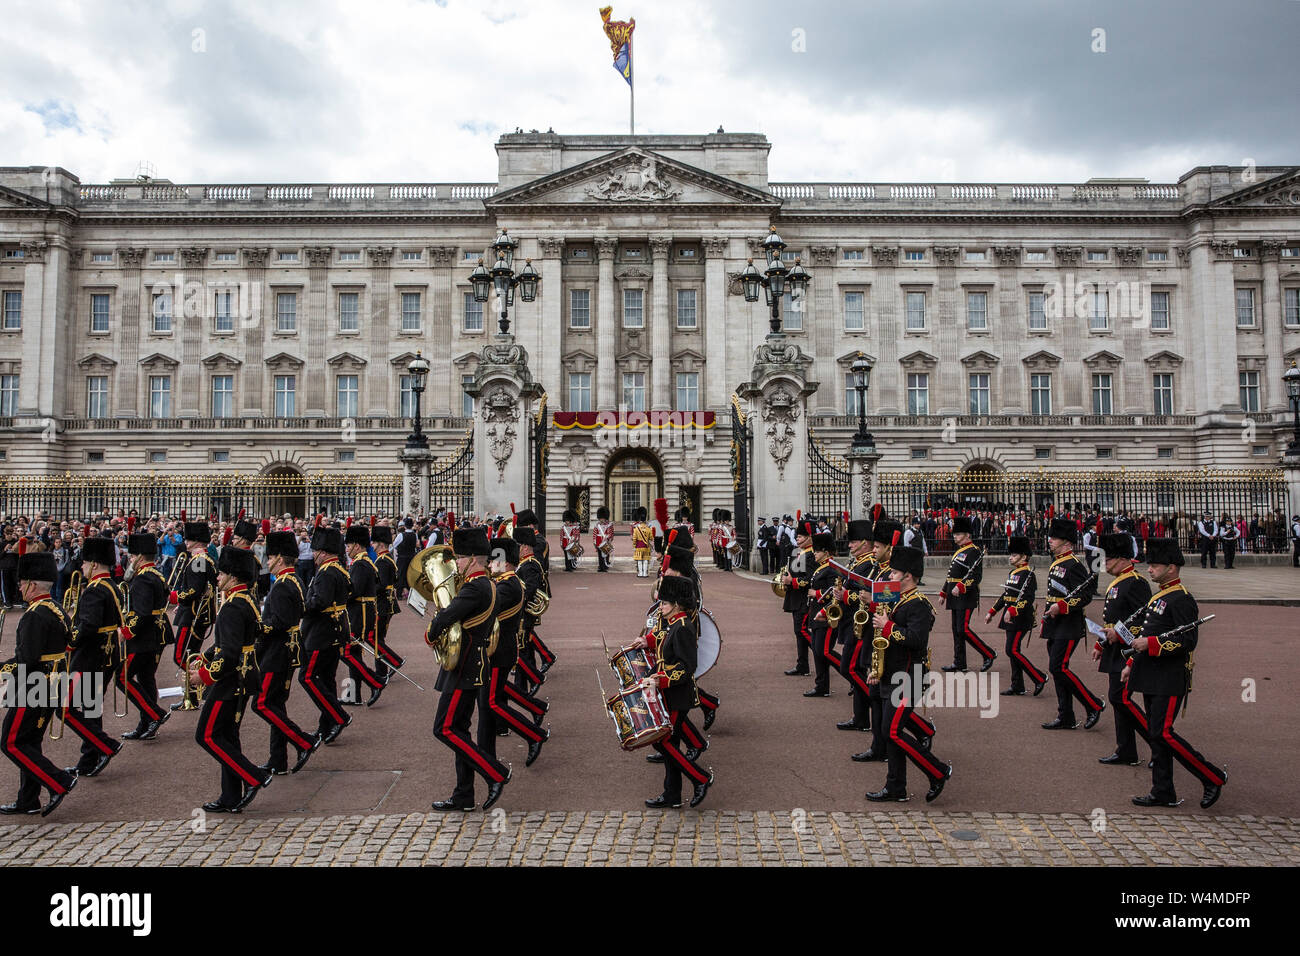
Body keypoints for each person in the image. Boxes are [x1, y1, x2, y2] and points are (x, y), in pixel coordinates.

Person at [1124, 538, 1226, 809]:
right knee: (1155, 734)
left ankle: (1212, 776)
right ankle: (1163, 790)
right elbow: (1146, 633)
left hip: (1169, 676)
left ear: (1171, 567)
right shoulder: (1160, 596)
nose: (1149, 570)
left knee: (1165, 733)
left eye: (1155, 565)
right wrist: (1132, 664)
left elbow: (1187, 641)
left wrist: (1152, 645)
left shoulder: (1181, 599)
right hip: (1150, 673)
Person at [428, 526, 512, 812]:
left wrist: (431, 631)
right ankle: (463, 794)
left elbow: (449, 615)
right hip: (472, 664)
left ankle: (495, 772)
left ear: (473, 560)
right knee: (459, 729)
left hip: (465, 665)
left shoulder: (475, 586)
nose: (456, 563)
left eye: (460, 558)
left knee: (445, 728)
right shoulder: (485, 583)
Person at [864, 544, 952, 803]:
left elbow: (916, 640)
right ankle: (896, 788)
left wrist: (887, 625)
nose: (889, 577)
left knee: (892, 731)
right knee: (889, 731)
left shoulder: (919, 605)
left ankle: (938, 771)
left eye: (894, 573)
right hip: (892, 674)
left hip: (910, 677)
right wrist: (876, 667)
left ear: (908, 577)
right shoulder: (897, 598)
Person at [190, 545, 273, 812]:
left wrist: (203, 676)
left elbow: (228, 654)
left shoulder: (232, 606)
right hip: (245, 677)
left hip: (230, 680)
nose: (216, 577)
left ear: (234, 577)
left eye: (222, 573)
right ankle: (230, 796)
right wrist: (206, 655)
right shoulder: (246, 599)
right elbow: (233, 643)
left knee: (207, 736)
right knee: (228, 735)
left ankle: (253, 777)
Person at [0, 548, 77, 816]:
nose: (19, 588)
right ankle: (27, 799)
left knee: (11, 742)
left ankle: (58, 781)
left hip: (34, 685)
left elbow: (26, 659)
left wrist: (1, 669)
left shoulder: (34, 614)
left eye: (22, 584)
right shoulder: (54, 607)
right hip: (52, 682)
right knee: (29, 741)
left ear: (31, 584)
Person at [640, 574, 713, 809]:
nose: (660, 606)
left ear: (676, 605)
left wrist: (660, 680)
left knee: (664, 743)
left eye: (664, 603)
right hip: (669, 694)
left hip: (678, 696)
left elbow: (686, 667)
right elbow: (663, 651)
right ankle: (671, 794)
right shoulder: (673, 624)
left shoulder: (682, 627)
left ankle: (700, 778)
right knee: (667, 743)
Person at [252, 529, 319, 776]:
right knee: (276, 705)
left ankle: (302, 741)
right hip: (289, 650)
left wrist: (256, 627)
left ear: (279, 558)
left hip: (277, 652)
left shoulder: (281, 585)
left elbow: (276, 623)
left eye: (270, 558)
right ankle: (277, 760)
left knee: (262, 704)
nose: (267, 562)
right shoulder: (295, 580)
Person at [479, 533, 548, 766]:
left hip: (501, 651)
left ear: (504, 561)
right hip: (500, 649)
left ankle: (533, 735)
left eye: (493, 560)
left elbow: (487, 609)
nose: (489, 564)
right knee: (498, 693)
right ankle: (535, 709)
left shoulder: (508, 585)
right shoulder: (505, 581)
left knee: (492, 702)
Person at [63, 534, 124, 778]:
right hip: (107, 654)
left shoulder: (95, 590)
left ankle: (103, 745)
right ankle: (90, 757)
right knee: (91, 706)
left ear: (95, 564)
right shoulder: (113, 586)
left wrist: (68, 642)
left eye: (85, 562)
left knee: (64, 707)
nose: (82, 566)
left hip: (90, 656)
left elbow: (87, 626)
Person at [1090, 533, 1151, 766]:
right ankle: (1126, 749)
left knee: (1120, 698)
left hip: (1130, 650)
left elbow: (1144, 621)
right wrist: (1101, 643)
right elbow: (1112, 619)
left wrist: (1121, 634)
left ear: (1124, 559)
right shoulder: (1119, 582)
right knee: (1117, 699)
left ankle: (1158, 744)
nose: (1106, 563)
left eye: (1110, 559)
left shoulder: (1135, 583)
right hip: (1116, 648)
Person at [1040, 516, 1104, 730]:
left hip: (1069, 623)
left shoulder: (1074, 564)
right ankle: (1065, 714)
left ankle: (1093, 704)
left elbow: (1084, 596)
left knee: (1058, 667)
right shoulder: (1057, 562)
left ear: (1066, 542)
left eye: (1055, 538)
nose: (1050, 540)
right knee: (1057, 670)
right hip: (1055, 622)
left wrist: (1064, 607)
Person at [298, 523, 353, 744]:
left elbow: (318, 602)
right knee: (327, 679)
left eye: (315, 552)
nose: (313, 555)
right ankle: (326, 725)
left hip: (320, 632)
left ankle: (338, 716)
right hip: (334, 630)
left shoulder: (327, 571)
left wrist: (301, 605)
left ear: (323, 552)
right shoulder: (338, 568)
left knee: (307, 677)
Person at [118, 529, 171, 740]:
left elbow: (140, 613)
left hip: (144, 636)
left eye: (132, 556)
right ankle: (146, 723)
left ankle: (153, 714)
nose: (130, 560)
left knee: (122, 677)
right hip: (157, 632)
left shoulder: (142, 579)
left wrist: (126, 632)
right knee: (146, 678)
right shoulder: (156, 574)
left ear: (139, 556)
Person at [987, 535, 1046, 697]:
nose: (1010, 557)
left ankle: (1038, 676)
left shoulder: (1028, 574)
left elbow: (1028, 599)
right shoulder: (1013, 573)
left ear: (1024, 556)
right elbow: (1006, 595)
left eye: (1014, 555)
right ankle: (1017, 684)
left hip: (1021, 617)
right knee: (1014, 650)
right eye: (1011, 555)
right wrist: (993, 611)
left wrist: (1013, 610)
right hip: (1010, 617)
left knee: (1011, 650)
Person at [170, 517, 217, 712]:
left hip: (193, 614)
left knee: (182, 656)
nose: (185, 541)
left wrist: (174, 597)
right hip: (194, 612)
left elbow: (194, 591)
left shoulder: (199, 561)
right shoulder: (199, 559)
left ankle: (203, 684)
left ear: (195, 540)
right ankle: (191, 697)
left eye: (188, 538)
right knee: (191, 655)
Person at [938, 515, 995, 673]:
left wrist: (962, 586)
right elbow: (952, 575)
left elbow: (976, 576)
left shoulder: (973, 551)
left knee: (963, 629)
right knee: (956, 630)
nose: (955, 536)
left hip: (966, 595)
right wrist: (944, 591)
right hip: (954, 594)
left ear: (967, 535)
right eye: (955, 534)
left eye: (958, 534)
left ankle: (988, 653)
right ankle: (959, 662)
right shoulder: (960, 551)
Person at [340, 523, 387, 707]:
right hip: (361, 612)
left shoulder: (360, 564)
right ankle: (353, 695)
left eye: (349, 546)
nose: (347, 549)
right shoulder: (364, 561)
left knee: (348, 652)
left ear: (357, 546)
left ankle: (375, 682)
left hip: (359, 613)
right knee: (354, 653)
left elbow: (354, 591)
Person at [803, 530, 841, 699]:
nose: (814, 554)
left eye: (817, 551)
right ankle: (821, 686)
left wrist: (816, 594)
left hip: (826, 617)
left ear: (826, 552)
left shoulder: (832, 568)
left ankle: (852, 673)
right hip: (817, 615)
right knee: (818, 652)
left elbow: (834, 590)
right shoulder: (822, 568)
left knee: (823, 651)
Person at [780, 518, 815, 677]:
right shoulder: (799, 552)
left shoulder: (811, 555)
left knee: (802, 632)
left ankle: (821, 655)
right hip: (796, 597)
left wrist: (791, 581)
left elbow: (809, 580)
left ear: (809, 537)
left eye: (801, 536)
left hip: (803, 598)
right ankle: (802, 664)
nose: (798, 539)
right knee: (798, 633)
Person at [370, 524, 405, 681]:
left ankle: (393, 661)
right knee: (378, 638)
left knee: (375, 638)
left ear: (381, 543)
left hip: (383, 604)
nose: (372, 544)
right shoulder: (385, 558)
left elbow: (382, 585)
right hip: (387, 603)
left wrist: (367, 589)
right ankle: (382, 670)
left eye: (374, 542)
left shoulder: (383, 560)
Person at [631, 507, 654, 578]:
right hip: (646, 546)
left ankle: (640, 573)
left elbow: (634, 539)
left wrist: (634, 546)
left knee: (639, 560)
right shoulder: (648, 528)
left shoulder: (636, 529)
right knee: (646, 560)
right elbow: (651, 538)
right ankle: (645, 573)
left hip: (638, 546)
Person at [593, 506, 614, 572]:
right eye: (600, 518)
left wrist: (608, 538)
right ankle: (601, 566)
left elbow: (610, 533)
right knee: (600, 555)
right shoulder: (597, 525)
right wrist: (594, 542)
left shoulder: (609, 525)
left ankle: (605, 566)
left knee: (605, 554)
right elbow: (595, 534)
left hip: (605, 541)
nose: (601, 520)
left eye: (602, 518)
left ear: (605, 518)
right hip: (599, 541)